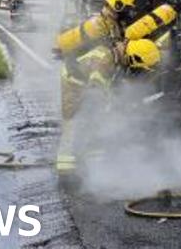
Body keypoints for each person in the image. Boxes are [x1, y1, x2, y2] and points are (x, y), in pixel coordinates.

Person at [55, 37, 161, 175]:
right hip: (74, 81)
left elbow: (108, 88)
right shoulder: (102, 62)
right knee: (75, 120)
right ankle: (67, 170)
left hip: (90, 80)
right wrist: (109, 109)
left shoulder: (117, 56)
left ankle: (92, 161)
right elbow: (96, 93)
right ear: (133, 58)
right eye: (139, 69)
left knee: (95, 122)